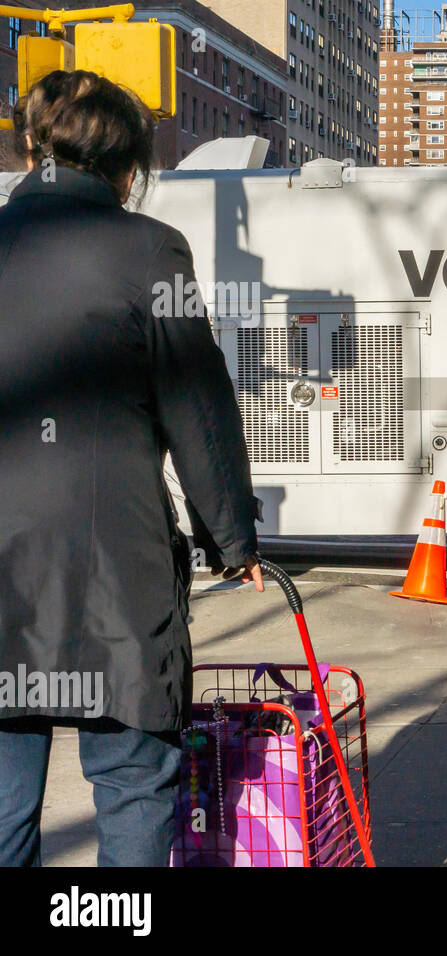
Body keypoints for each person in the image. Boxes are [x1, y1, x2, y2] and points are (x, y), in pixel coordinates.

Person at [0, 71, 262, 866]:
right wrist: (234, 537)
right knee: (136, 783)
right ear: (125, 165)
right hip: (114, 564)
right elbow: (198, 403)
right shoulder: (151, 250)